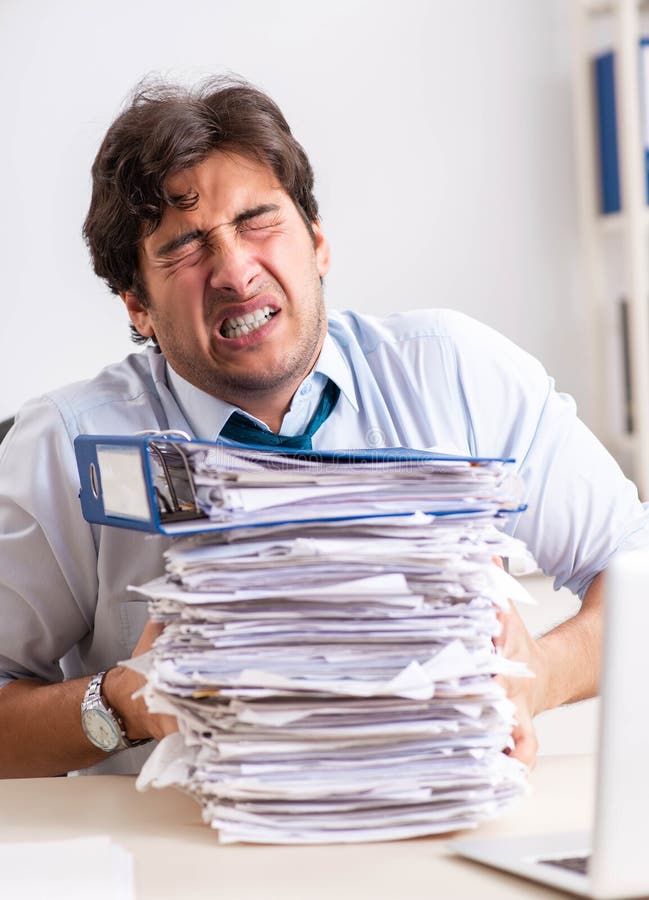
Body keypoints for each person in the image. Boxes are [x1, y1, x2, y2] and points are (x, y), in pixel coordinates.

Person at [0, 76, 646, 779]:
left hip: (441, 843)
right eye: (186, 245)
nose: (234, 270)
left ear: (317, 243)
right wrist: (122, 705)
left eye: (257, 221)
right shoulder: (63, 449)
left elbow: (635, 568)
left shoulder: (457, 375)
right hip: (181, 865)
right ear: (138, 308)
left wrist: (538, 673)